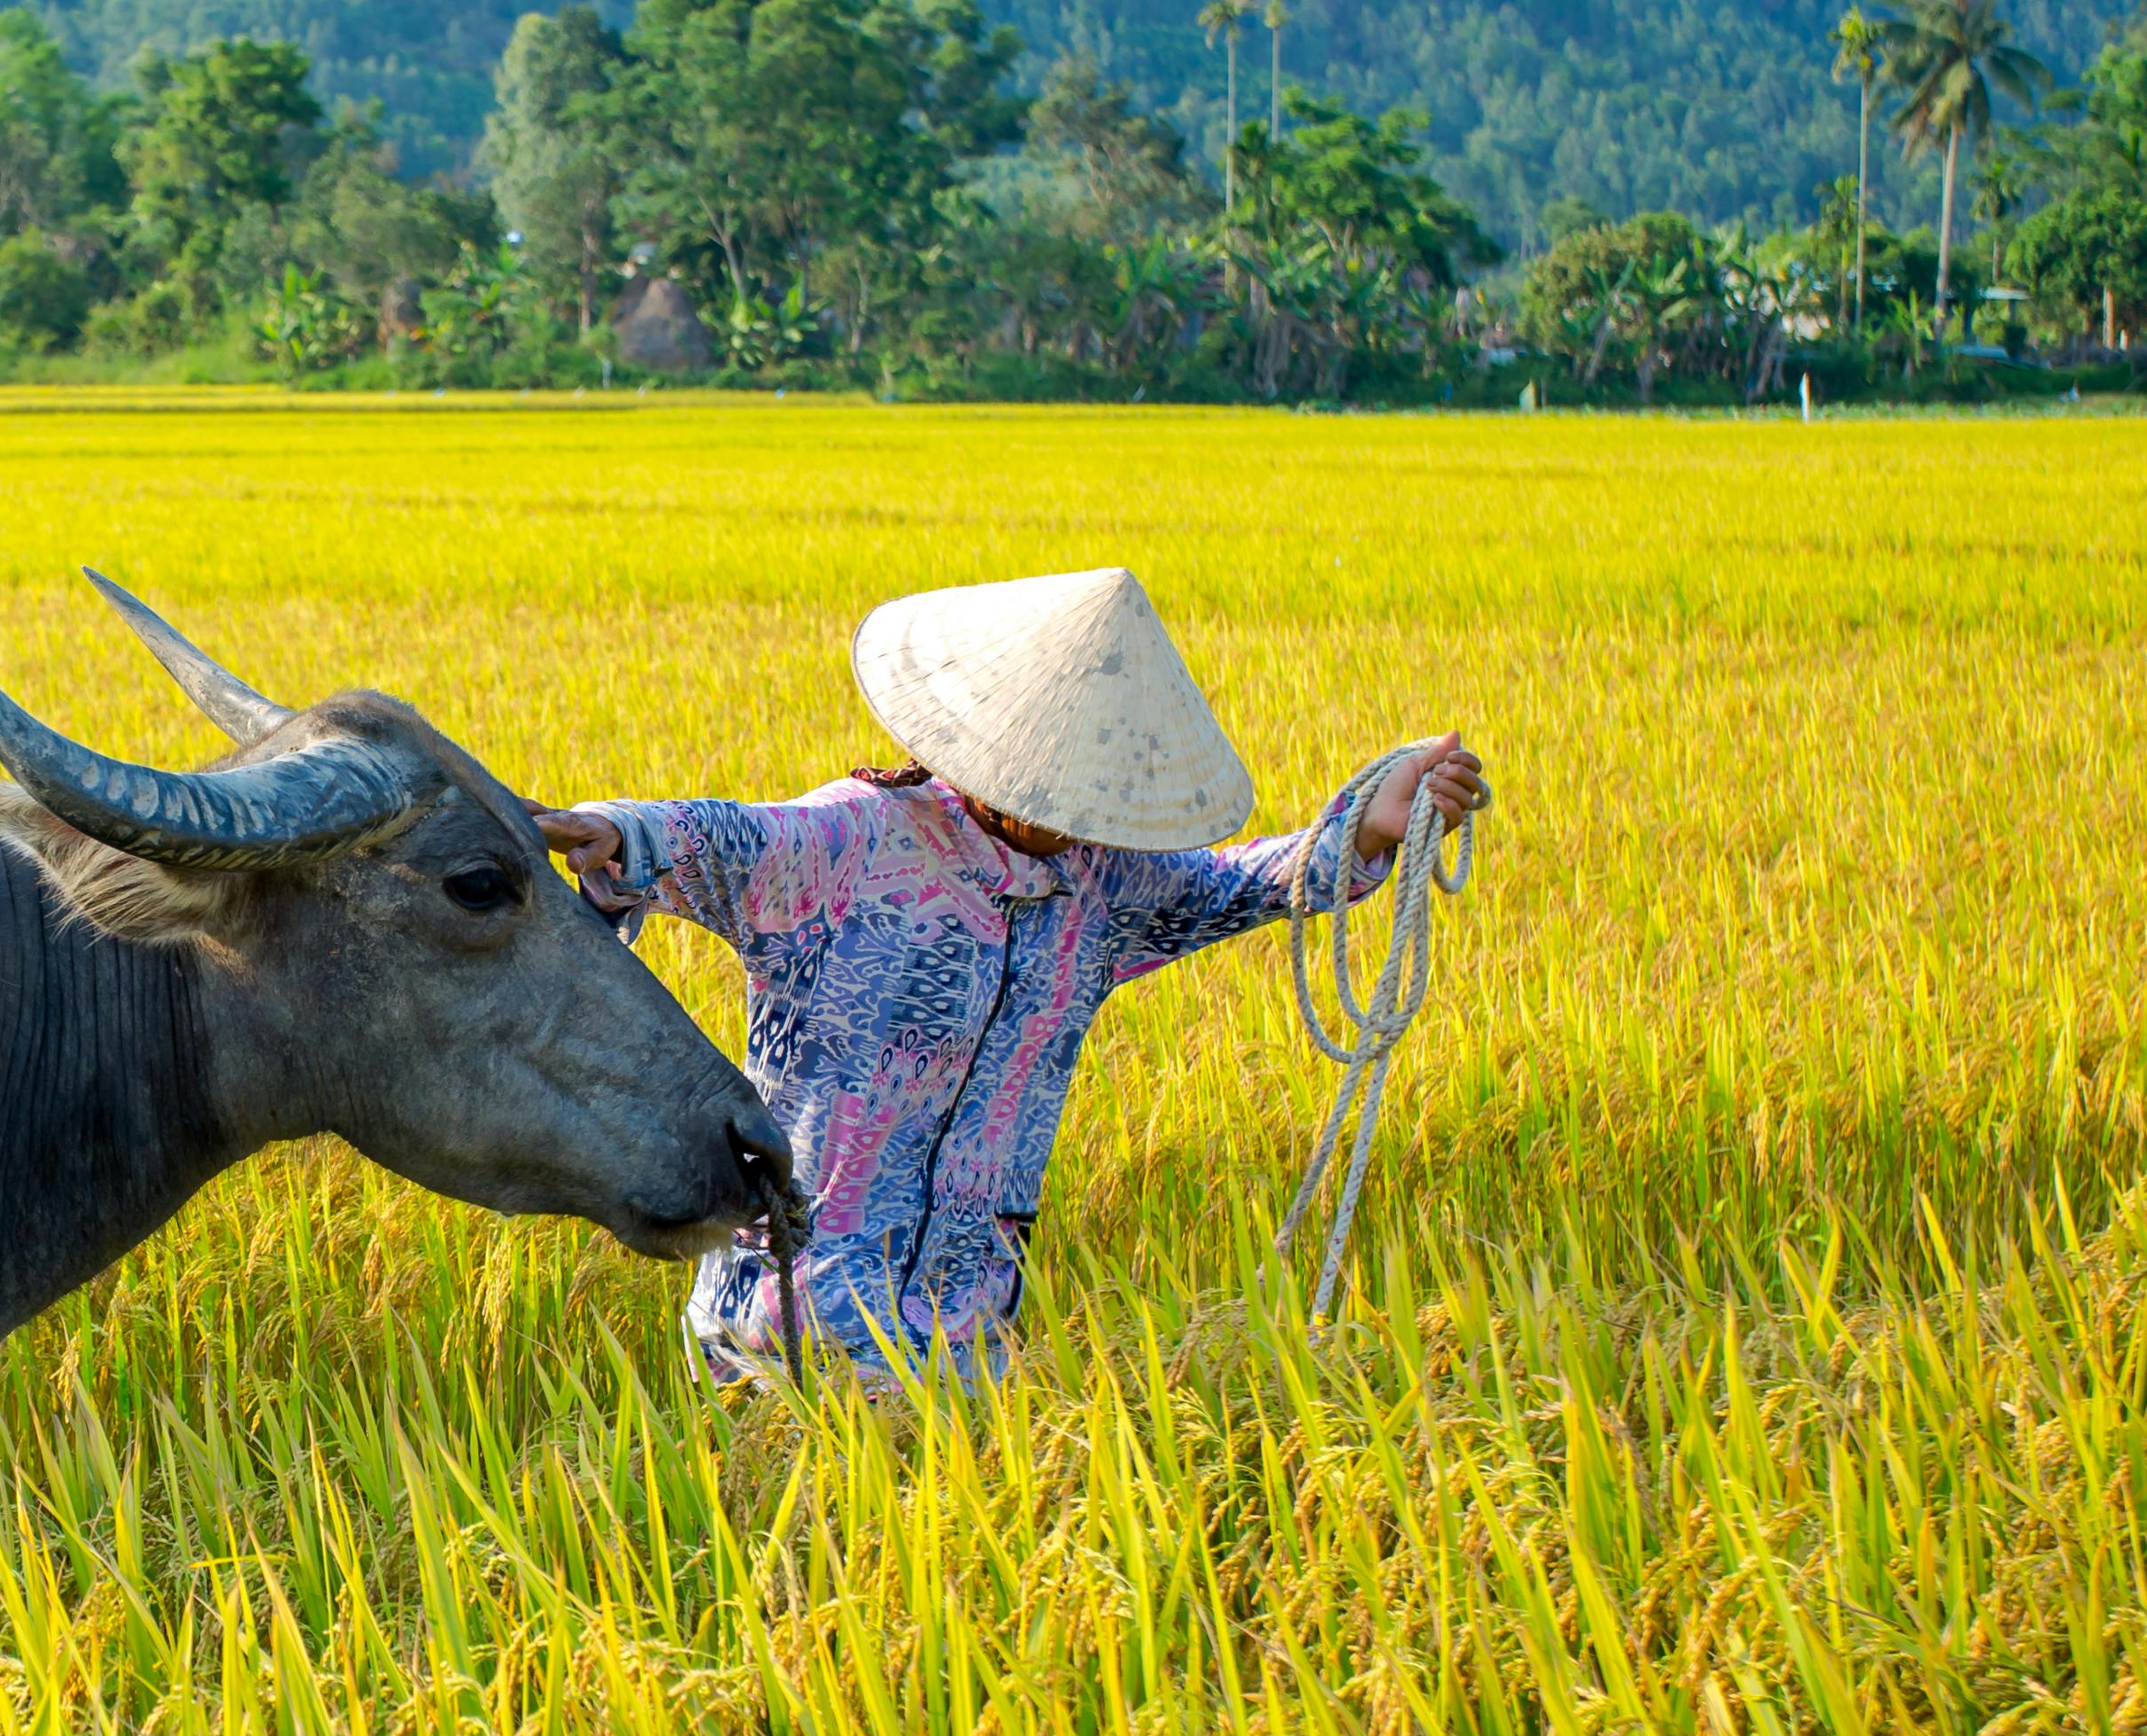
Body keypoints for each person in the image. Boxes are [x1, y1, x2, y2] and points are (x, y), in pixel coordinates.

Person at [538, 567, 1487, 1385]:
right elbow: (717, 837)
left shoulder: (1103, 885)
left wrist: (1369, 830)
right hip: (787, 1321)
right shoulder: (850, 841)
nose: (1069, 815)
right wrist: (617, 831)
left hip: (971, 1329)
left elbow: (1237, 883)